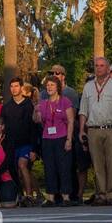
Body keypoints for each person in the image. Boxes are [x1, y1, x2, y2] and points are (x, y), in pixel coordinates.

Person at [79, 56, 112, 205]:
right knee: (97, 164)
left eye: (101, 66)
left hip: (111, 128)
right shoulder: (88, 86)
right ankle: (100, 193)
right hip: (93, 129)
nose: (98, 68)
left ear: (108, 69)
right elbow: (83, 111)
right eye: (96, 65)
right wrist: (81, 130)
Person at [35, 74, 76, 205]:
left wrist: (69, 139)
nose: (49, 87)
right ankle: (51, 197)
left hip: (62, 137)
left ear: (58, 87)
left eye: (52, 85)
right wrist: (35, 111)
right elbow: (36, 120)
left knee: (64, 167)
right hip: (47, 138)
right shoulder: (43, 103)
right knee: (49, 167)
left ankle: (65, 196)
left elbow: (70, 121)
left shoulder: (65, 101)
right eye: (47, 85)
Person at [2, 76, 38, 206]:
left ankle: (29, 196)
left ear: (21, 87)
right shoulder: (6, 107)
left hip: (26, 144)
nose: (13, 89)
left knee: (22, 165)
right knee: (15, 170)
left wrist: (34, 149)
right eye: (11, 86)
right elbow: (3, 128)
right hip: (11, 145)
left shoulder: (29, 105)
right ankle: (20, 195)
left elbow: (34, 128)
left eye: (16, 86)